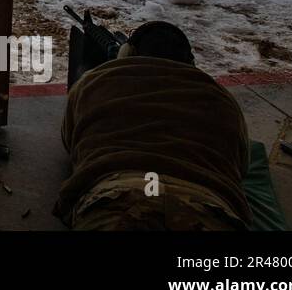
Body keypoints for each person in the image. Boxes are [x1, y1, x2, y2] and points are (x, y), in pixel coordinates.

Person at [55, 21, 251, 230]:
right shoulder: (221, 99)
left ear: (127, 53)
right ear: (191, 63)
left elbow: (70, 142)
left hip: (116, 199)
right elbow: (241, 166)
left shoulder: (92, 84)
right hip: (208, 208)